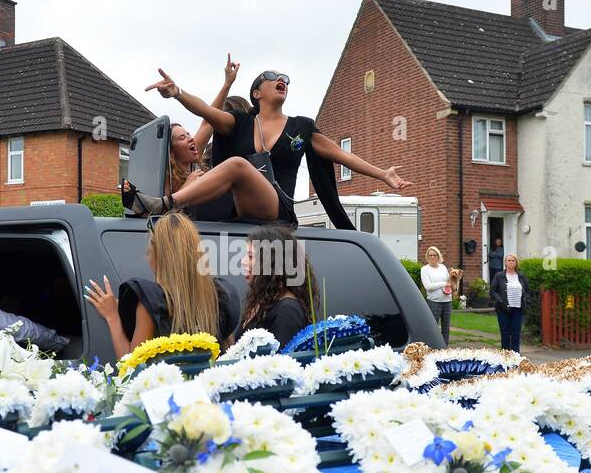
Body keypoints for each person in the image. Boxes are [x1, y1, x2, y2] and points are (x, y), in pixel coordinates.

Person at [133, 66, 412, 230]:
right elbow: (207, 112)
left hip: (276, 209)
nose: (282, 80)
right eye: (272, 76)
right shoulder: (240, 122)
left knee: (238, 166)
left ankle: (165, 205)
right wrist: (177, 93)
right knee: (210, 175)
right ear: (256, 93)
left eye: (285, 79)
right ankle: (163, 212)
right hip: (240, 208)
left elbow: (342, 155)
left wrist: (383, 174)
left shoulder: (301, 127)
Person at [82, 211, 240, 359]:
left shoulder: (152, 301)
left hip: (165, 387)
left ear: (158, 254)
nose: (147, 256)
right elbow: (228, 354)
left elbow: (131, 366)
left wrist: (112, 317)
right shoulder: (219, 296)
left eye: (149, 251)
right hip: (205, 386)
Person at [125, 121, 292, 224]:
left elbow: (208, 122)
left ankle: (161, 204)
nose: (190, 138)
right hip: (244, 220)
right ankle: (152, 206)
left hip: (277, 212)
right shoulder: (173, 179)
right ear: (171, 152)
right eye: (182, 138)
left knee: (237, 165)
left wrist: (227, 83)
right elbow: (164, 224)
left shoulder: (203, 173)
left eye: (189, 134)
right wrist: (186, 187)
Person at [237, 223, 321, 345]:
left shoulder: (287, 310)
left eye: (250, 256)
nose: (243, 262)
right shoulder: (263, 302)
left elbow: (283, 361)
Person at [490, 253, 530, 353]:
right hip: (503, 309)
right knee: (505, 334)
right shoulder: (499, 276)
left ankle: (516, 357)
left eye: (513, 260)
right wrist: (500, 300)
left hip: (518, 309)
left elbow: (528, 291)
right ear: (505, 263)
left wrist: (527, 301)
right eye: (509, 260)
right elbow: (492, 291)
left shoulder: (521, 276)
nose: (511, 262)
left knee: (516, 334)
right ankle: (505, 357)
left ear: (516, 263)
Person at [420, 245, 453, 346]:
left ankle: (444, 348)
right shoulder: (425, 269)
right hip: (434, 302)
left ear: (438, 256)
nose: (432, 257)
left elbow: (449, 282)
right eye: (430, 255)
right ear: (427, 257)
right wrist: (443, 284)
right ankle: (433, 347)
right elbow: (428, 286)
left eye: (434, 255)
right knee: (433, 328)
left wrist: (455, 278)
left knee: (446, 328)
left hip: (447, 301)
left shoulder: (443, 267)